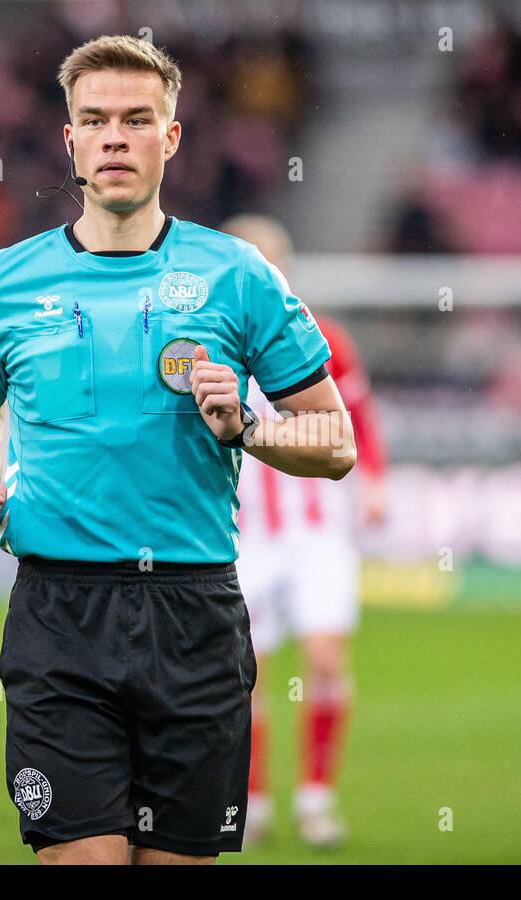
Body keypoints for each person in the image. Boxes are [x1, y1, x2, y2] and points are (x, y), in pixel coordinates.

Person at [0, 35, 356, 865]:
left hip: (192, 612)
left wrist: (251, 428)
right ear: (70, 140)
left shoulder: (237, 274)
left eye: (137, 119)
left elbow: (335, 440)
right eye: (94, 121)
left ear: (171, 136)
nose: (115, 137)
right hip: (60, 617)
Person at [221, 215, 388, 849]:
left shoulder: (320, 338)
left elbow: (360, 419)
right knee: (250, 670)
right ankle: (254, 798)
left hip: (320, 530)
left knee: (324, 657)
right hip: (250, 534)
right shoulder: (211, 344)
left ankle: (317, 797)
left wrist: (373, 480)